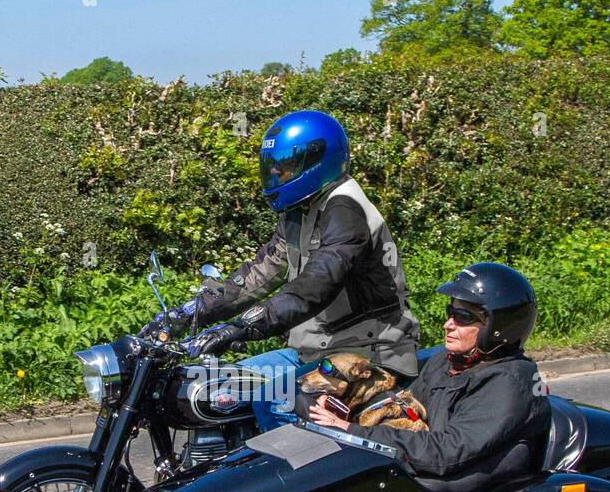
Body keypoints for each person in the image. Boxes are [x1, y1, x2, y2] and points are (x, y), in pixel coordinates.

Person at [151, 109, 421, 422]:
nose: (277, 174)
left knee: (272, 401)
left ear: (318, 160)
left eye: (286, 166)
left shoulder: (346, 210)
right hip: (315, 354)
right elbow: (258, 275)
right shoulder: (300, 211)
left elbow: (313, 287)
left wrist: (241, 327)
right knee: (220, 386)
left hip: (366, 358)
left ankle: (288, 470)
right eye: (273, 166)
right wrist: (189, 312)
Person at [310, 262, 552, 492]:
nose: (448, 325)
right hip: (425, 468)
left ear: (499, 328)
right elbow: (407, 411)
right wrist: (347, 414)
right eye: (450, 313)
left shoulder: (510, 382)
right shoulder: (446, 362)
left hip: (449, 488)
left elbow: (447, 452)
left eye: (463, 317)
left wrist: (353, 432)